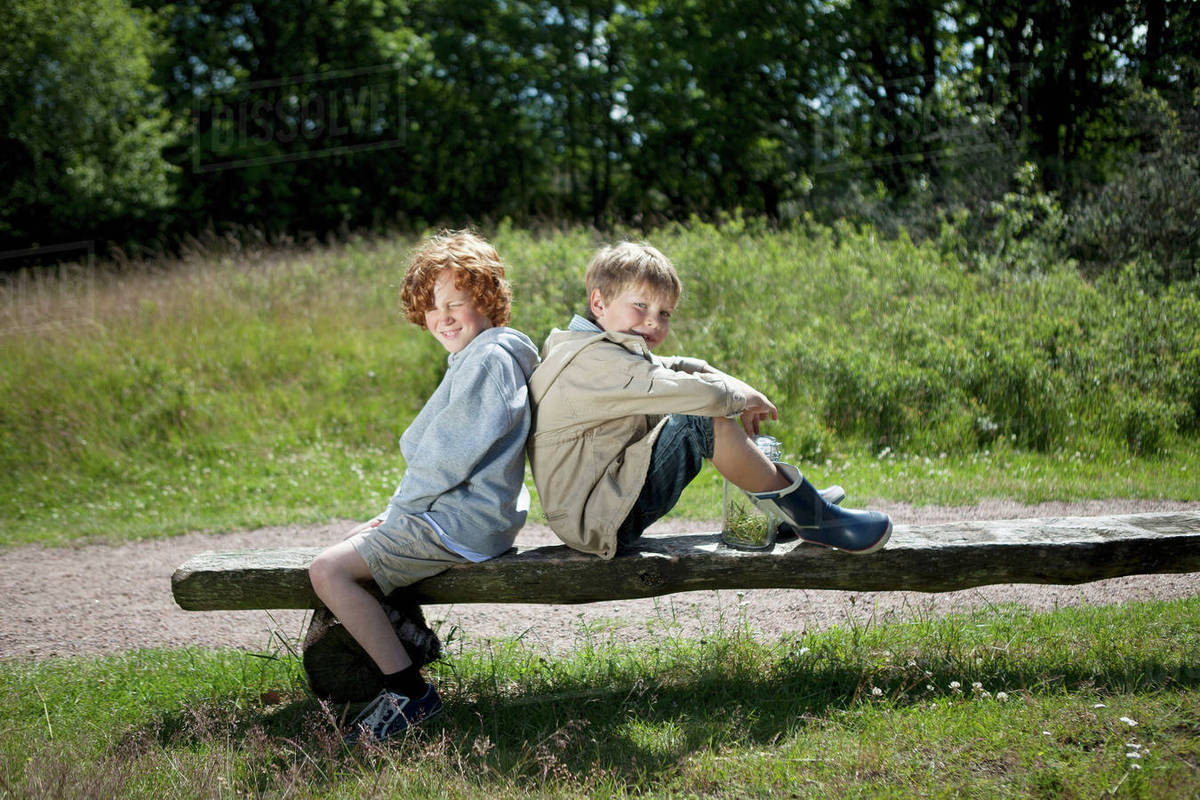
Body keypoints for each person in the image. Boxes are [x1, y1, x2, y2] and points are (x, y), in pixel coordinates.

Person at [309, 231, 539, 744]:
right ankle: (407, 643)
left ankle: (410, 694)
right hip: (470, 515)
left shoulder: (487, 361)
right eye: (433, 309)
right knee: (347, 554)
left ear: (487, 301)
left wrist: (399, 514)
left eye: (457, 303)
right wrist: (399, 514)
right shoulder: (482, 357)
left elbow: (446, 459)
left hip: (464, 521)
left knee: (328, 571)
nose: (445, 318)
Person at [527, 241, 890, 561]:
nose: (653, 322)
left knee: (703, 406)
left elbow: (676, 367)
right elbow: (677, 388)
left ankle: (789, 509)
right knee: (699, 416)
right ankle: (813, 518)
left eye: (664, 313)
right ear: (599, 302)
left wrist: (736, 386)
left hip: (596, 506)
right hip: (596, 520)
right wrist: (734, 397)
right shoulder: (595, 363)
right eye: (640, 306)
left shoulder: (587, 347)